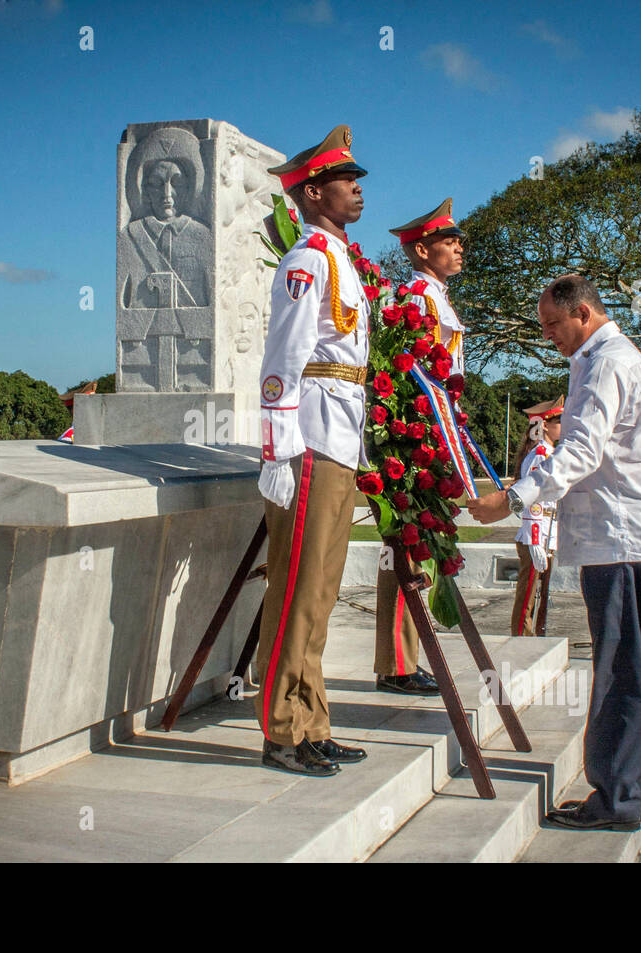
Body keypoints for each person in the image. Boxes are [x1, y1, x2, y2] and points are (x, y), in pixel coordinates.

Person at [467, 274, 641, 831]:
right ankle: (617, 789)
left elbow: (583, 449)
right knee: (627, 665)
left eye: (553, 324)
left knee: (624, 668)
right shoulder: (601, 358)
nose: (549, 336)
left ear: (583, 312)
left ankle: (616, 798)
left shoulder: (607, 361)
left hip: (628, 542)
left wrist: (513, 499)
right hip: (622, 542)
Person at [255, 124, 370, 777]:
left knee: (321, 593)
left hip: (340, 440)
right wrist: (277, 448)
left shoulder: (339, 258)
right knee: (295, 589)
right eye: (346, 179)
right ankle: (279, 729)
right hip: (310, 443)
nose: (357, 187)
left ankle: (312, 720)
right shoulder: (305, 262)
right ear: (314, 190)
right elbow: (284, 360)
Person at [372, 198, 467, 695]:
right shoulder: (418, 296)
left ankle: (403, 658)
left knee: (418, 552)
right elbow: (415, 373)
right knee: (407, 550)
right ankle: (398, 662)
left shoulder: (436, 296)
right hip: (417, 438)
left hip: (436, 432)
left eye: (457, 241)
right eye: (449, 242)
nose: (458, 248)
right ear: (422, 249)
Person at [508, 396, 564, 637]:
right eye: (559, 420)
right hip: (537, 534)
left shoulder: (550, 452)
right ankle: (521, 639)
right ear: (544, 425)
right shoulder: (540, 454)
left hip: (548, 533)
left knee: (541, 595)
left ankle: (535, 636)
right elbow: (531, 499)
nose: (564, 424)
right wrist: (534, 540)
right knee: (528, 596)